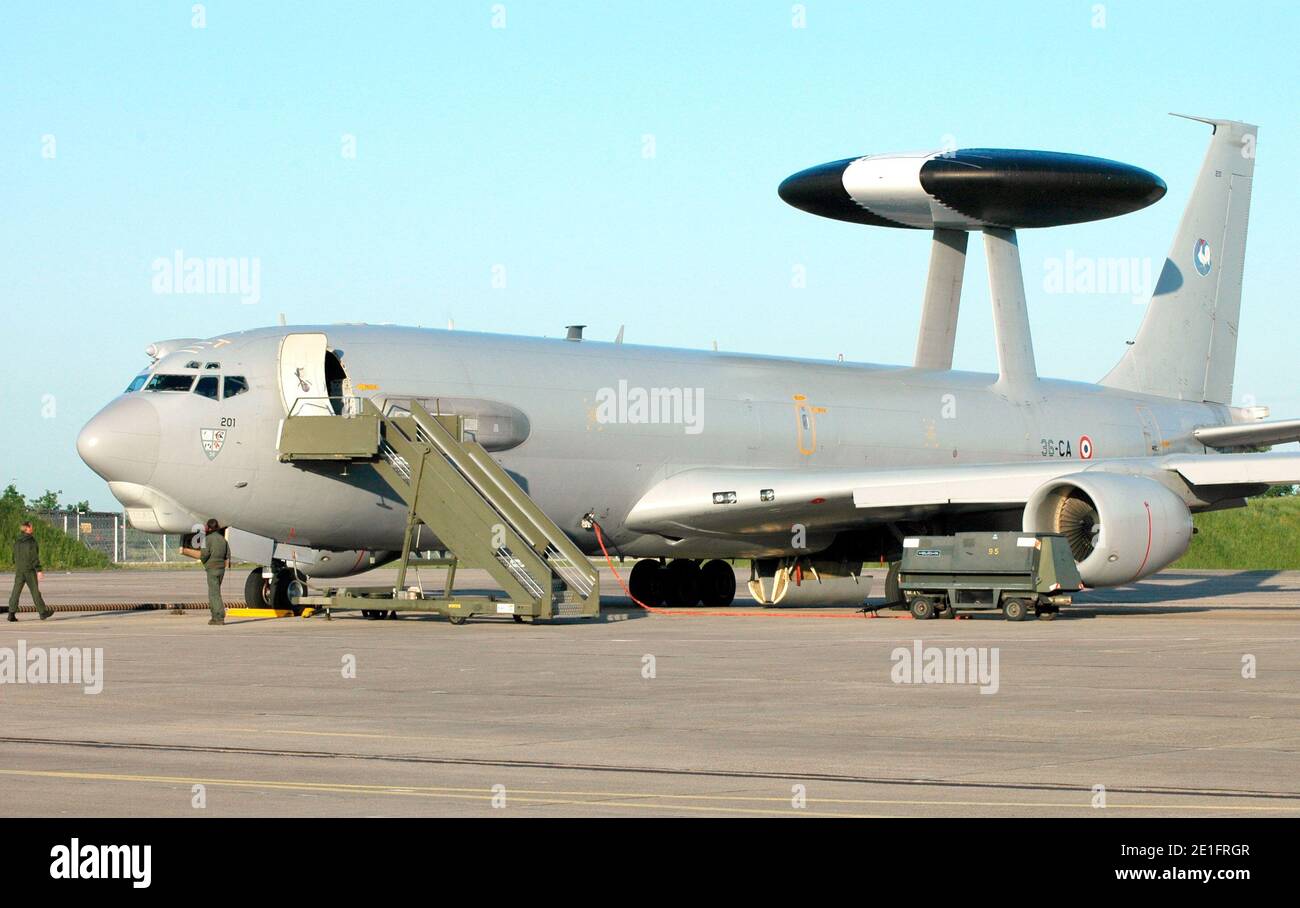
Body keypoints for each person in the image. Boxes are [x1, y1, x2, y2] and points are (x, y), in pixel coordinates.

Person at [8, 521, 53, 622]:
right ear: (27, 528)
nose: (33, 528)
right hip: (29, 570)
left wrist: (18, 564)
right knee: (35, 591)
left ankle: (11, 613)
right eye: (31, 527)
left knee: (16, 591)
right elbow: (34, 556)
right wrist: (39, 569)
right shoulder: (31, 541)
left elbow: (13, 556)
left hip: (19, 569)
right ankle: (42, 612)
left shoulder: (17, 541)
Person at [199, 519, 229, 625]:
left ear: (209, 528)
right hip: (221, 568)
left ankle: (219, 617)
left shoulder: (207, 539)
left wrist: (203, 561)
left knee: (214, 593)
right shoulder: (223, 539)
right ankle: (214, 616)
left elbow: (204, 554)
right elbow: (227, 554)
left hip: (212, 568)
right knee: (215, 591)